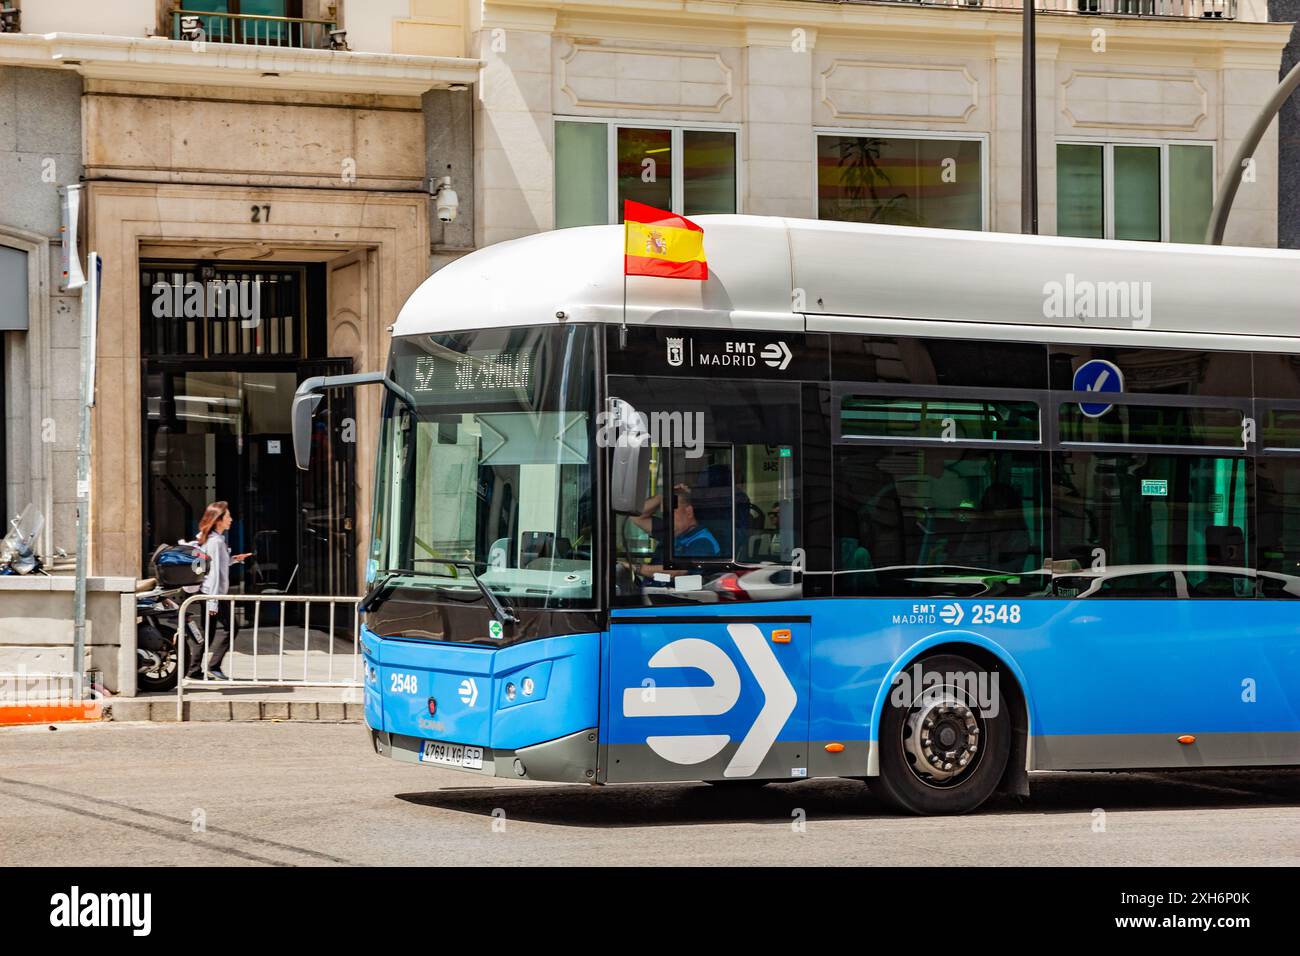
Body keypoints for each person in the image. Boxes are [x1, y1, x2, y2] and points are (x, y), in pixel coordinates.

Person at [187, 501, 252, 680]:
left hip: (209, 593)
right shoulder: (215, 541)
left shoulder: (214, 540)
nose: (231, 520)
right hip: (213, 594)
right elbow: (214, 573)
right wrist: (214, 601)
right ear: (218, 520)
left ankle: (194, 670)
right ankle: (213, 666)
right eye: (228, 517)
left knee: (208, 632)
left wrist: (234, 560)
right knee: (231, 627)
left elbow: (215, 565)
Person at [628, 485, 721, 581]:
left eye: (671, 512)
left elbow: (676, 571)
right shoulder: (673, 531)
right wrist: (662, 497)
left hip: (679, 593)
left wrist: (637, 568)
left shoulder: (703, 541)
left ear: (689, 512)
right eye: (665, 514)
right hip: (656, 588)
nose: (666, 519)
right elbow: (637, 516)